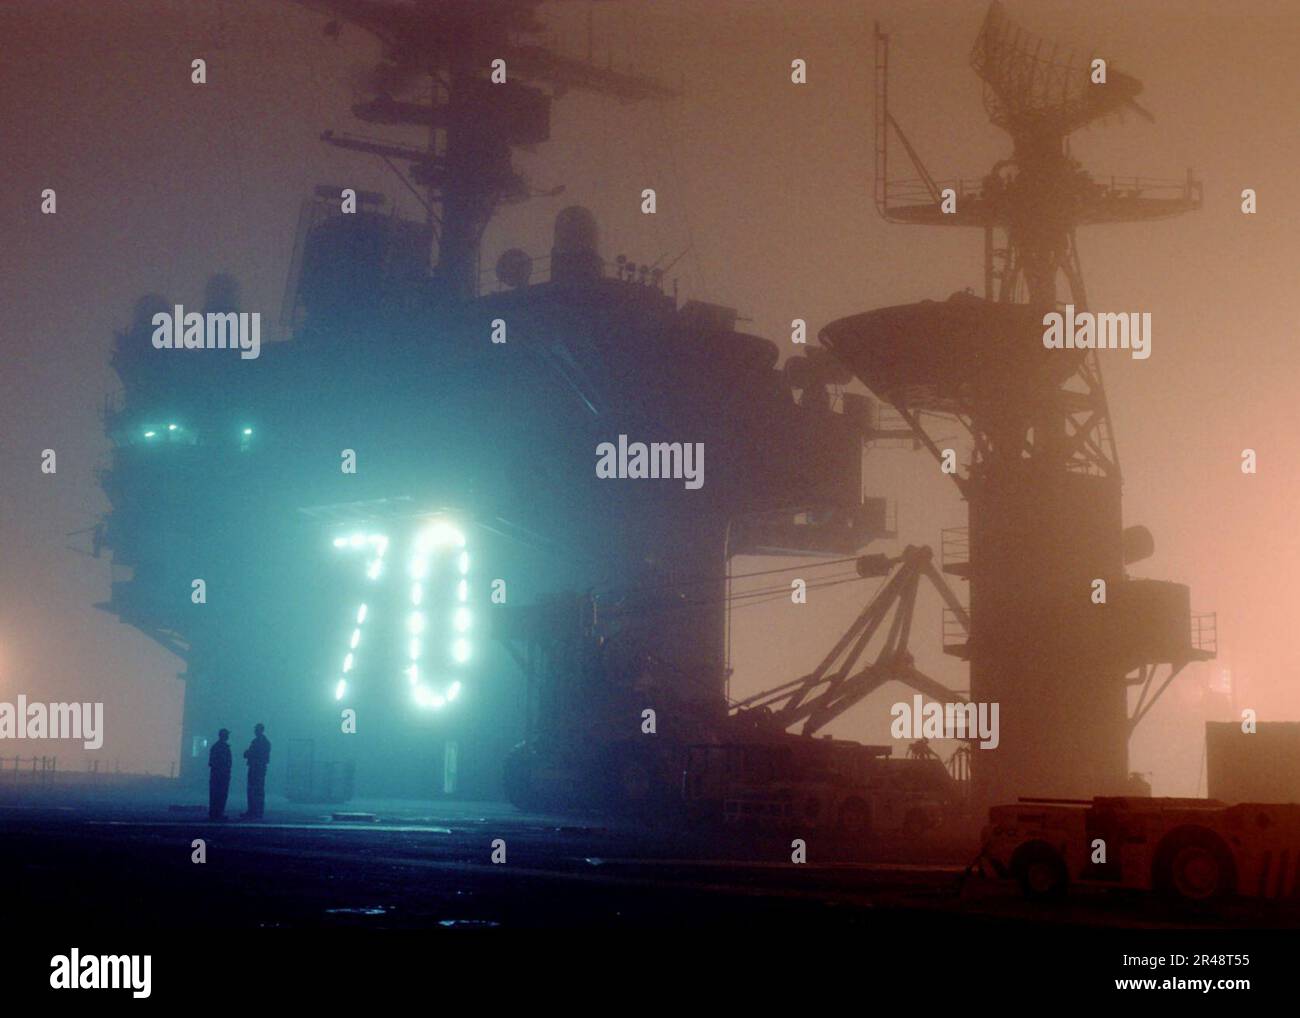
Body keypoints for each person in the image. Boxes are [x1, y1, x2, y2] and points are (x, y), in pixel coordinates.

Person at [241, 723, 272, 819]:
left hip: (255, 768)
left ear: (259, 730)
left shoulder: (257, 742)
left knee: (253, 790)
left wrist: (248, 754)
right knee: (258, 790)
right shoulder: (265, 742)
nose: (255, 731)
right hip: (260, 769)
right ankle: (257, 811)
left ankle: (253, 811)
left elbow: (251, 754)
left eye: (256, 729)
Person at [208, 729, 232, 820]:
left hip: (216, 775)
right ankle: (218, 813)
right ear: (224, 736)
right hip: (222, 775)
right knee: (221, 794)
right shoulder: (223, 747)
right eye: (227, 735)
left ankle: (214, 813)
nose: (228, 736)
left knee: (215, 794)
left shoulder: (215, 747)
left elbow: (211, 762)